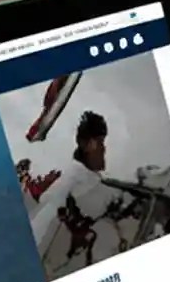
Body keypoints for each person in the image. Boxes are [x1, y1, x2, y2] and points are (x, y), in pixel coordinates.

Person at [31, 111, 125, 262]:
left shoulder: (77, 175)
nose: (104, 149)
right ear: (86, 145)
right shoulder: (78, 178)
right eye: (100, 142)